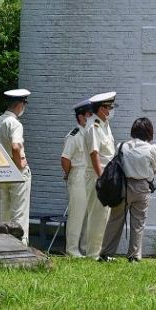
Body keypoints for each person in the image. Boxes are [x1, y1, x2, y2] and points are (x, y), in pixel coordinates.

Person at [98, 116, 156, 262]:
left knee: (115, 220)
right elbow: (154, 169)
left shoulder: (122, 146)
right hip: (142, 188)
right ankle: (134, 256)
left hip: (122, 187)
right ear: (149, 132)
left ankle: (106, 253)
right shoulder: (152, 149)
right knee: (138, 223)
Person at [0, 88, 32, 244]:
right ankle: (21, 246)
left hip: (0, 170)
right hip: (16, 171)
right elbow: (16, 147)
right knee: (19, 213)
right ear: (19, 104)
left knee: (2, 212)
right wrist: (21, 164)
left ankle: (3, 244)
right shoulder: (15, 124)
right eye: (24, 104)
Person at [83, 90, 116, 259]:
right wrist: (102, 178)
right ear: (101, 108)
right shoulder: (93, 126)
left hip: (106, 175)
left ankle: (103, 252)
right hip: (97, 176)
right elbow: (94, 154)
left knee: (105, 216)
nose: (111, 110)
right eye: (109, 107)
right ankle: (93, 254)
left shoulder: (104, 124)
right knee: (97, 215)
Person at [60, 100, 92, 258]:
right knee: (77, 213)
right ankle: (72, 249)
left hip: (90, 175)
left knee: (89, 213)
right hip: (78, 174)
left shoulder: (91, 134)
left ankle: (85, 247)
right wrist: (69, 174)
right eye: (88, 114)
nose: (92, 117)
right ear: (81, 117)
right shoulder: (74, 135)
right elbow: (65, 158)